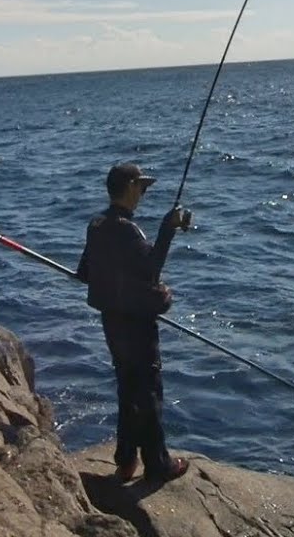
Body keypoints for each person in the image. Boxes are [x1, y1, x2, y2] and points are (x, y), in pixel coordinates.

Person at [76, 162, 190, 484]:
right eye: (141, 187)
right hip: (136, 327)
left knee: (128, 389)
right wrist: (168, 228)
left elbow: (84, 272)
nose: (143, 193)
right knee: (149, 391)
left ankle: (126, 461)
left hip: (111, 325)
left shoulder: (95, 225)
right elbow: (151, 269)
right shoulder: (128, 230)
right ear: (128, 187)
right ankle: (157, 464)